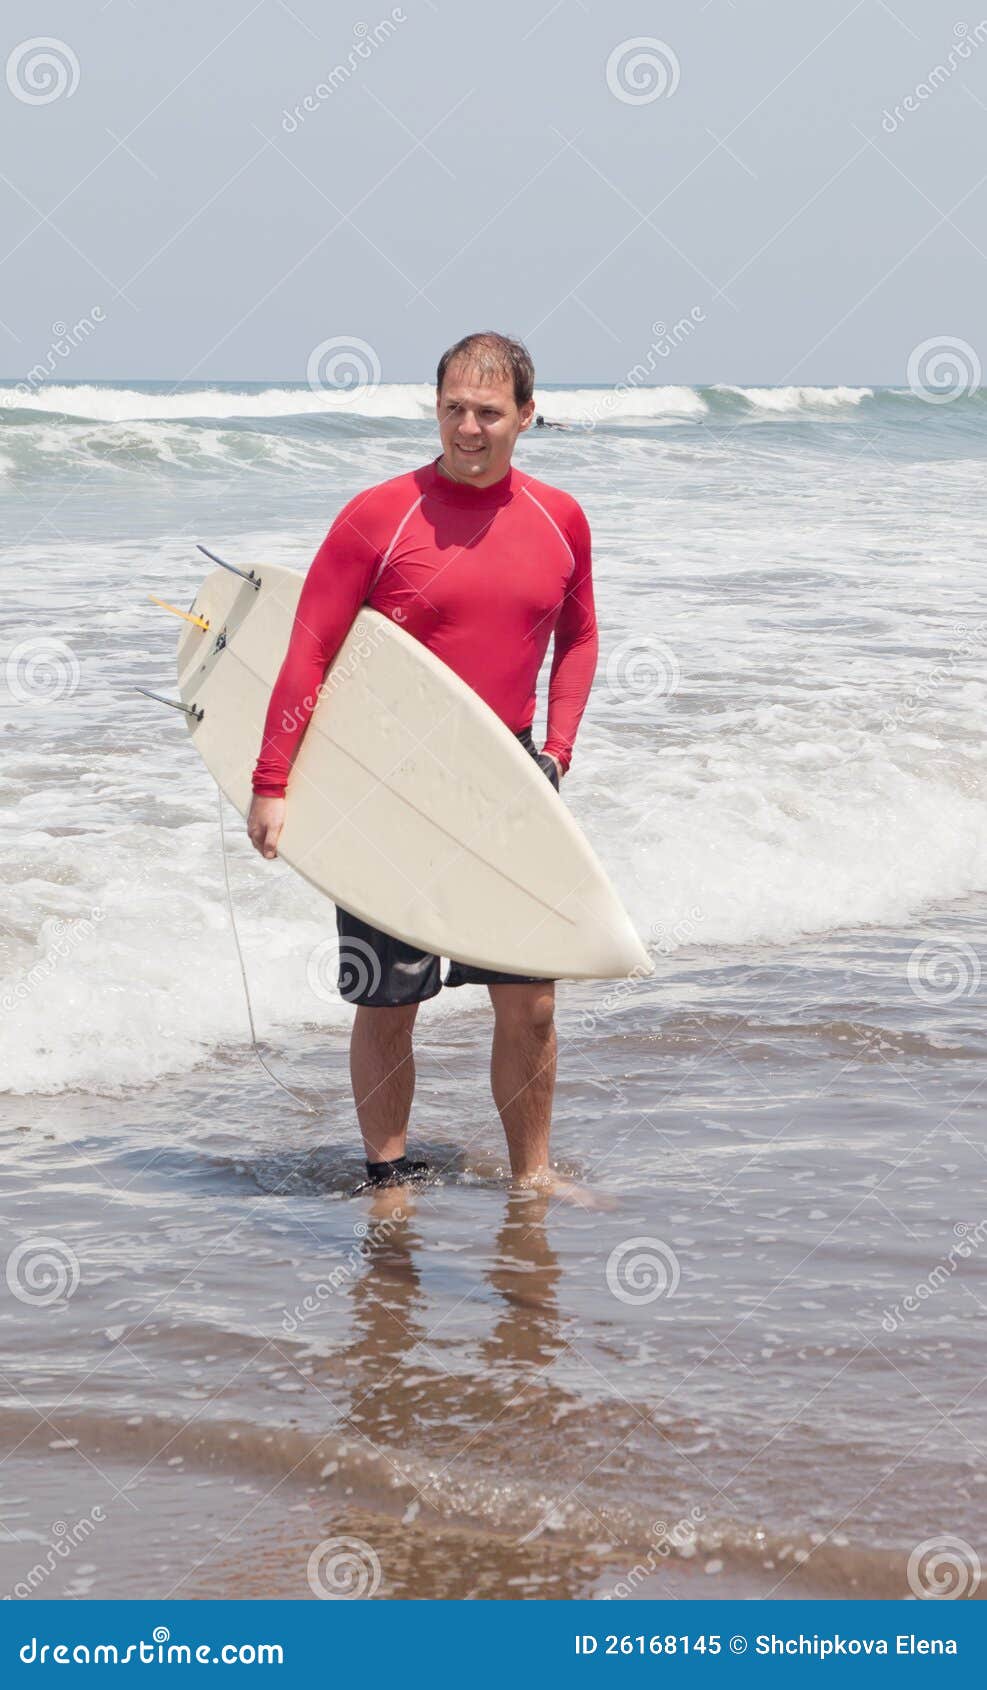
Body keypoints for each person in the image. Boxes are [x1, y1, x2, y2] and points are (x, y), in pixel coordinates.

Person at [247, 332, 598, 1196]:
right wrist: (270, 781)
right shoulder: (380, 514)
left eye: (487, 412)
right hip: (386, 784)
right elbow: (310, 648)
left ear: (526, 415)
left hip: (505, 780)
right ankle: (388, 1179)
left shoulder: (560, 518)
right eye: (451, 409)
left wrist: (555, 750)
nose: (467, 429)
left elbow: (579, 636)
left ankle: (532, 1177)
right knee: (387, 998)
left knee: (532, 1000)